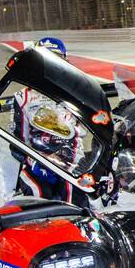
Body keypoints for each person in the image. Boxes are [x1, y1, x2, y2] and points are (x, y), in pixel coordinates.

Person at [12, 37, 82, 201]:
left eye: (56, 58)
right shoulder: (23, 97)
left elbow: (87, 133)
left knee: (77, 197)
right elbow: (18, 142)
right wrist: (35, 160)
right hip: (38, 164)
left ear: (65, 60)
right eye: (45, 58)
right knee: (39, 195)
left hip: (72, 163)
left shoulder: (78, 92)